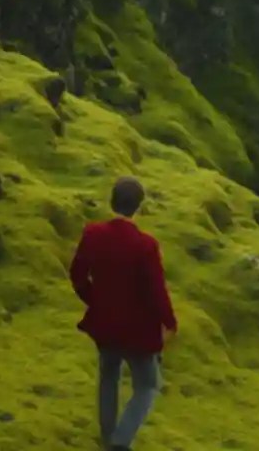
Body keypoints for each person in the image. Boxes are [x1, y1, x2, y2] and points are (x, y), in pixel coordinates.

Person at [70, 176, 178, 451]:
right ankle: (119, 442)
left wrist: (94, 300)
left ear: (112, 201)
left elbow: (78, 275)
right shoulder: (146, 245)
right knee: (148, 385)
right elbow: (156, 290)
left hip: (104, 324)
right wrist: (169, 322)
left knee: (108, 376)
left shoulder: (93, 233)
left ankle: (108, 438)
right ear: (138, 206)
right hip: (138, 330)